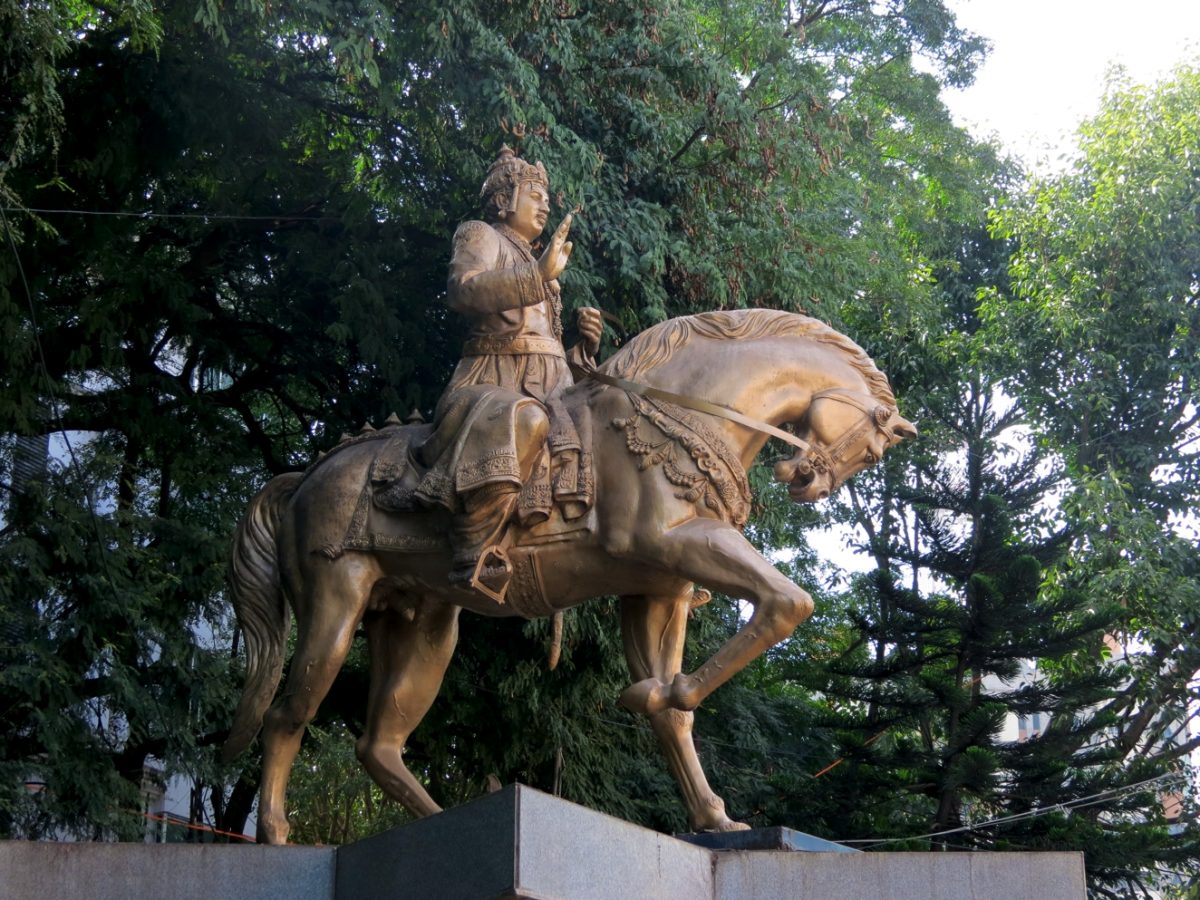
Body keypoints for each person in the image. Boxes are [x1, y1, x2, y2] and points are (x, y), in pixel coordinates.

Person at [415, 146, 603, 593]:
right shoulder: (480, 234)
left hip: (551, 384)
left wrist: (584, 348)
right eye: (535, 195)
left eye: (547, 198)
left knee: (607, 424)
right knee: (526, 420)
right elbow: (463, 291)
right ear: (504, 199)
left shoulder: (543, 271)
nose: (545, 205)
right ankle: (473, 547)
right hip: (490, 378)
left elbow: (544, 345)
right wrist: (536, 275)